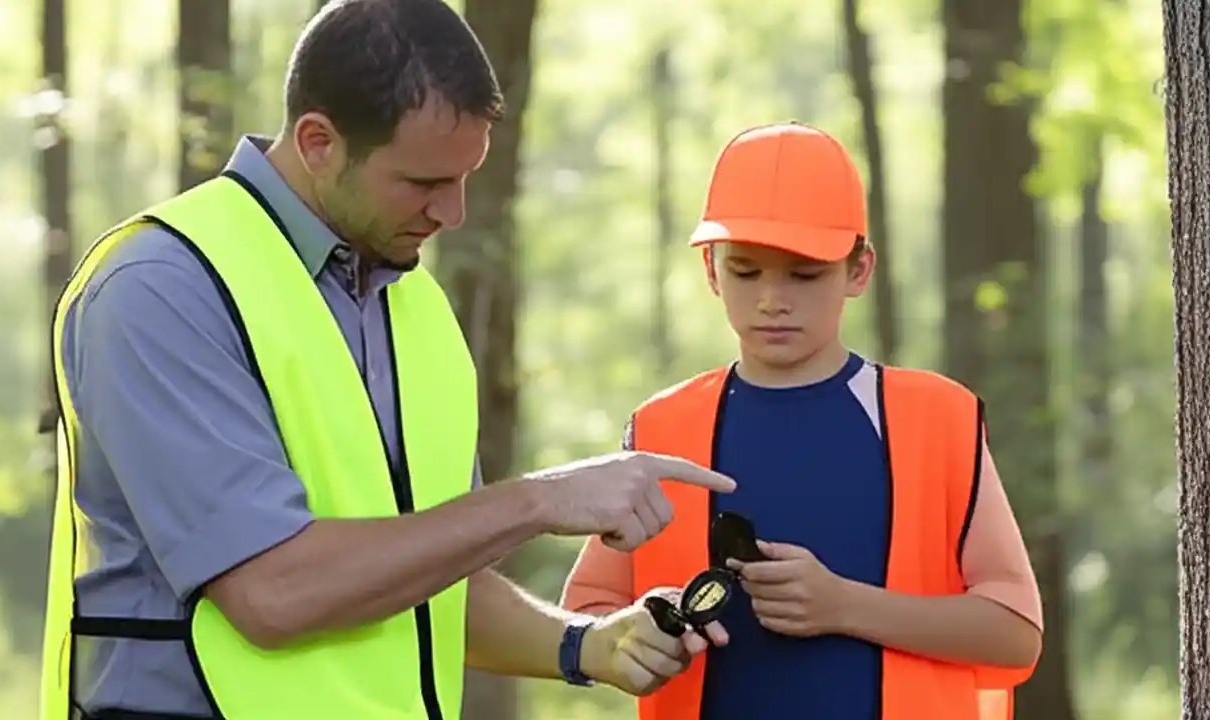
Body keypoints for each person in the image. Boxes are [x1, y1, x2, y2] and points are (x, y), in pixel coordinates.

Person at [38, 2, 736, 718]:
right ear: (318, 142)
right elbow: (274, 592)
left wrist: (587, 644)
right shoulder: (161, 288)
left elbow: (427, 571)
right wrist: (539, 499)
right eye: (424, 182)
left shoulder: (415, 308)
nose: (453, 212)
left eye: (466, 177)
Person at [559, 121, 1044, 720]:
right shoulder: (662, 429)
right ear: (712, 271)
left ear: (858, 270)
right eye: (745, 270)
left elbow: (1016, 633)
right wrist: (641, 635)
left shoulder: (935, 419)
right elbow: (588, 610)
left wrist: (844, 605)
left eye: (804, 273)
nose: (772, 299)